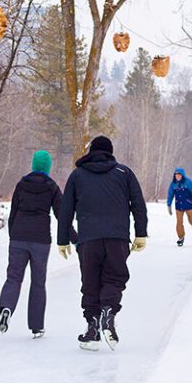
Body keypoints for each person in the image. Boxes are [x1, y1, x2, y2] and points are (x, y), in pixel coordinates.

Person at [57, 135, 148, 351]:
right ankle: (108, 311)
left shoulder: (77, 175)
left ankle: (92, 329)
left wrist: (63, 240)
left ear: (91, 152)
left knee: (90, 283)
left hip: (88, 240)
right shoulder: (124, 173)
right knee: (114, 278)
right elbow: (138, 204)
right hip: (117, 239)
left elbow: (65, 210)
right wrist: (140, 233)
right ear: (110, 152)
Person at [0, 150, 77, 338]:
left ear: (33, 165)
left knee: (14, 277)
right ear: (47, 167)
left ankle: (7, 308)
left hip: (18, 237)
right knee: (38, 282)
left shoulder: (21, 184)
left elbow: (13, 212)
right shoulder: (52, 187)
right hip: (40, 241)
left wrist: (13, 236)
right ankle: (36, 326)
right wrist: (75, 239)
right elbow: (62, 216)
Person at [167, 168, 192, 247]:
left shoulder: (188, 182)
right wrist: (169, 205)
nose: (177, 176)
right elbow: (170, 195)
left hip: (189, 206)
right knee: (179, 223)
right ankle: (181, 237)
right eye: (176, 175)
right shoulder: (173, 184)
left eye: (179, 175)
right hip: (179, 206)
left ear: (182, 175)